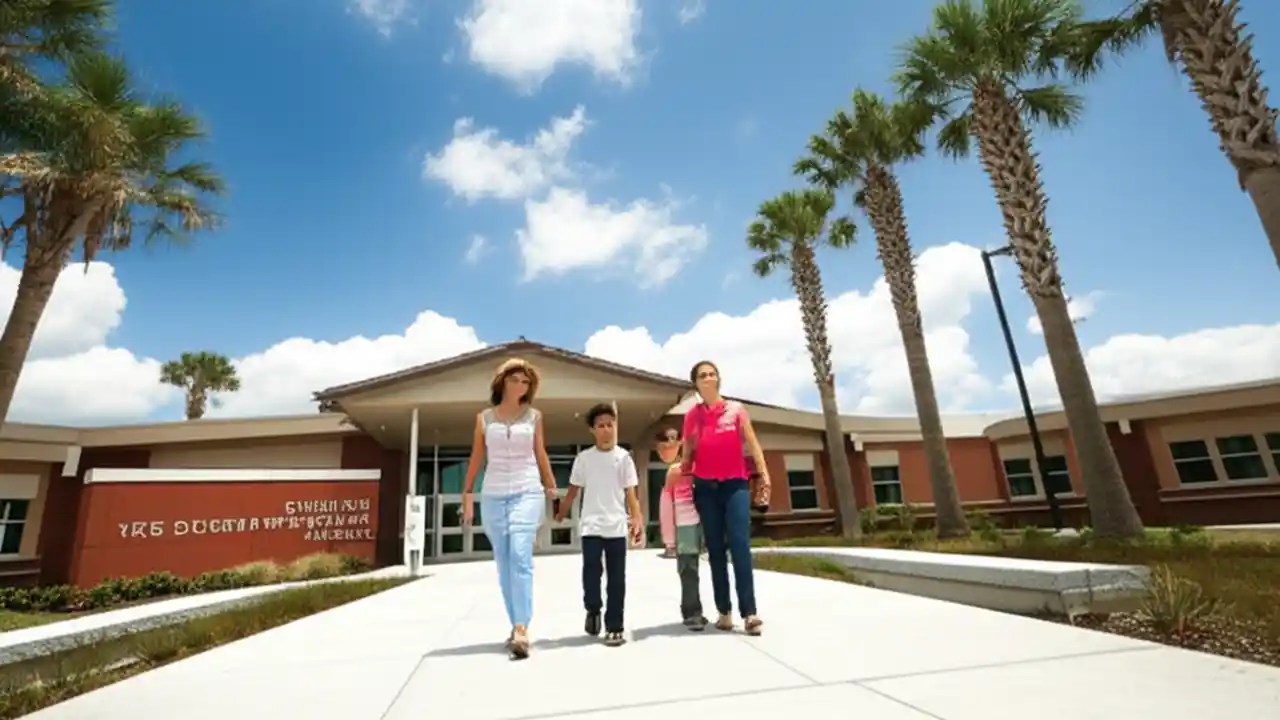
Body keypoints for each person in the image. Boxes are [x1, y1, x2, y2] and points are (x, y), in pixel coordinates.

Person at [461, 358, 559, 659]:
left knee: (519, 554)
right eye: (516, 379)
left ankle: (521, 628)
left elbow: (539, 452)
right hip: (492, 494)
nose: (521, 385)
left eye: (526, 381)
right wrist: (467, 493)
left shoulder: (534, 416)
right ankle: (514, 623)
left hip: (527, 489)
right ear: (502, 381)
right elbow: (477, 456)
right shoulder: (484, 418)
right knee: (503, 562)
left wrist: (551, 488)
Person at [681, 360, 770, 636]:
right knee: (716, 550)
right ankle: (724, 612)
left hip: (735, 485)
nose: (707, 378)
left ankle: (750, 613)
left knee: (740, 545)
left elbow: (752, 443)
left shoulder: (736, 410)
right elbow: (688, 451)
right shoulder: (692, 416)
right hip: (705, 487)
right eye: (701, 375)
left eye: (711, 374)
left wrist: (764, 474)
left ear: (718, 379)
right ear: (695, 383)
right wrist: (682, 472)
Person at [554, 402, 643, 647]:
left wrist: (637, 521)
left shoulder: (624, 458)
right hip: (591, 526)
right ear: (593, 430)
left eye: (610, 425)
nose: (606, 430)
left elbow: (631, 494)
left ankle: (615, 625)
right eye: (601, 426)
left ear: (615, 427)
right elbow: (573, 490)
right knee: (591, 573)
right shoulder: (584, 459)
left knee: (617, 579)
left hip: (616, 527)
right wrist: (561, 511)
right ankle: (593, 608)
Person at [657, 426, 708, 631]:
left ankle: (725, 610)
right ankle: (692, 612)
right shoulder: (675, 471)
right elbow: (666, 505)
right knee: (688, 569)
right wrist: (670, 539)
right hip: (685, 524)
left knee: (716, 566)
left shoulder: (705, 464)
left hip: (707, 521)